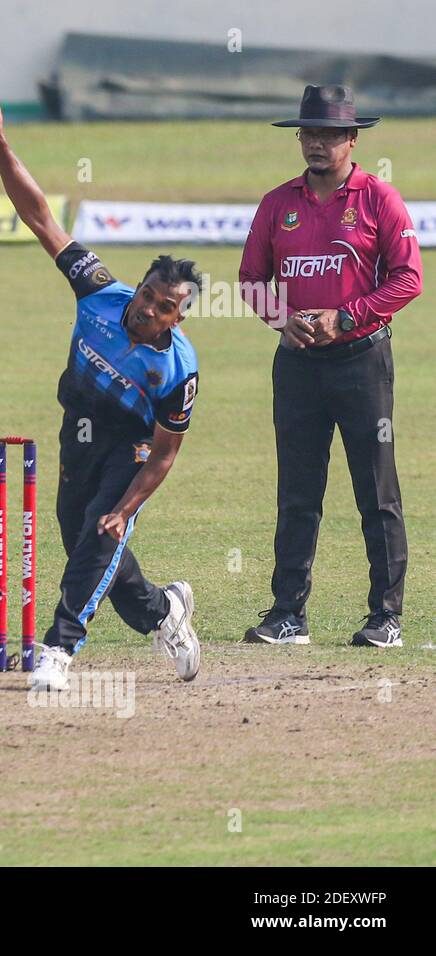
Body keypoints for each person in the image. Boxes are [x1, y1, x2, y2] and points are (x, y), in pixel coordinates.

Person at [0, 91, 202, 691]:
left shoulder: (178, 370)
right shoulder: (99, 290)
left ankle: (59, 649)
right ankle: (164, 612)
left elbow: (165, 453)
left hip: (131, 449)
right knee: (86, 540)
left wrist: (126, 508)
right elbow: (40, 216)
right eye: (148, 295)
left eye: (163, 307)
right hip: (77, 432)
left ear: (178, 319)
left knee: (103, 528)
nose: (147, 310)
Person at [239, 85, 422, 648]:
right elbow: (250, 280)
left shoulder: (378, 199)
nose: (316, 144)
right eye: (308, 133)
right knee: (297, 492)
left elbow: (408, 278)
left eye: (328, 134)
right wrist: (282, 320)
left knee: (376, 493)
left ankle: (385, 617)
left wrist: (346, 318)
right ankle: (288, 614)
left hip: (362, 363)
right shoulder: (278, 203)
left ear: (351, 139)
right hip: (296, 366)